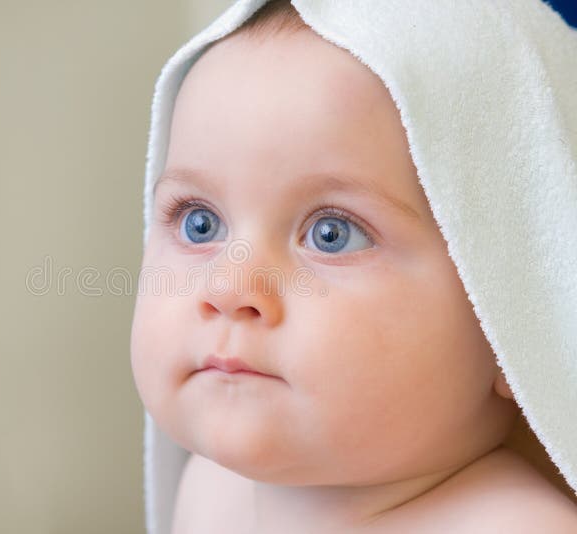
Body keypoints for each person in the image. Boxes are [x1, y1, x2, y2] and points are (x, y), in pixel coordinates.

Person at [129, 1, 577, 532]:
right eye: (200, 222)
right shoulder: (211, 491)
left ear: (517, 313)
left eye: (331, 234)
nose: (228, 287)